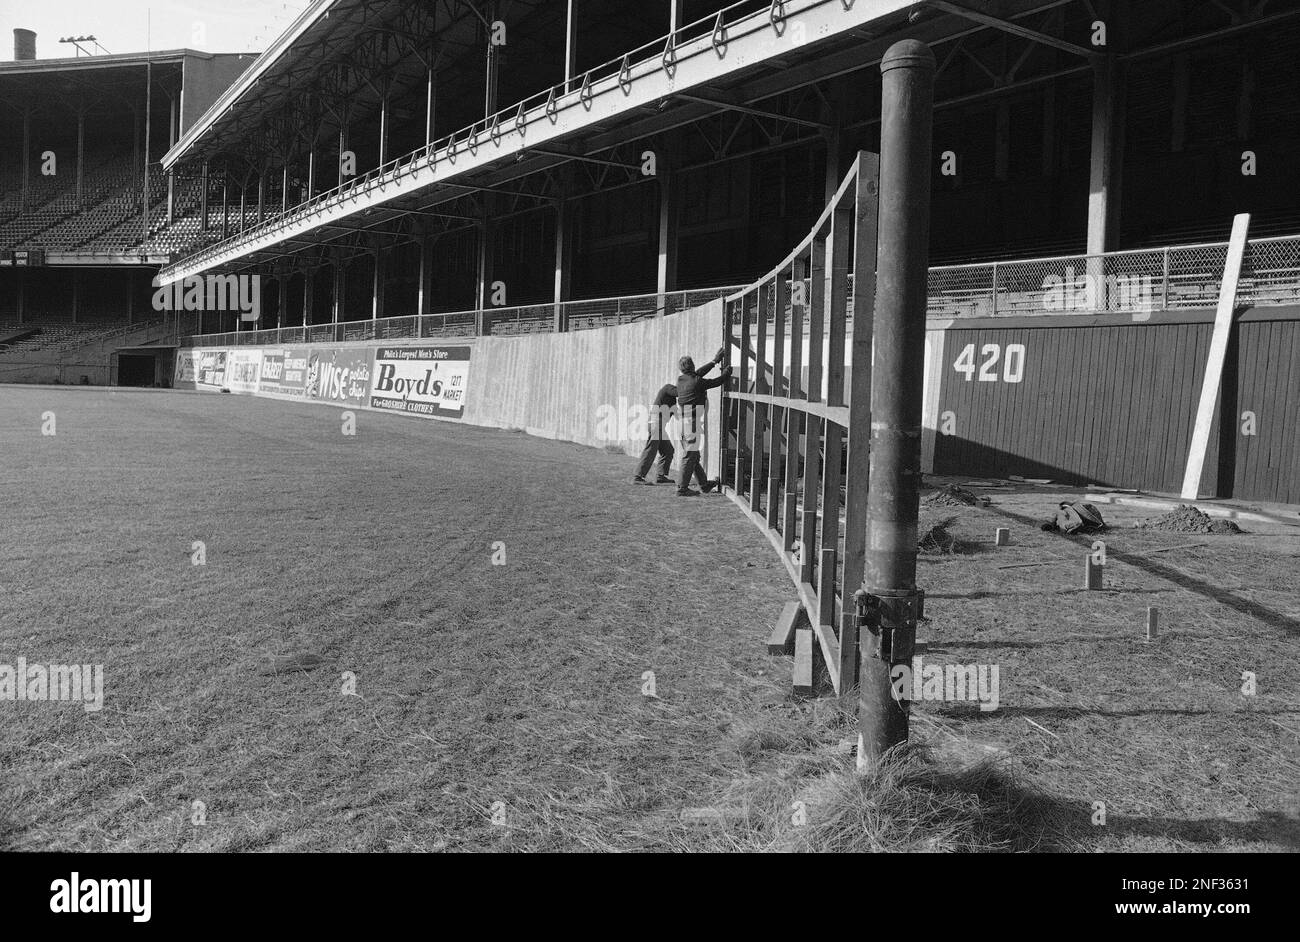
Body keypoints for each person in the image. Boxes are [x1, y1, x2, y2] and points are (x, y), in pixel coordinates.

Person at [675, 347, 731, 497]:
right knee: (690, 455)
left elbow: (698, 374)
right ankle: (682, 488)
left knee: (694, 456)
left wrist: (714, 361)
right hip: (691, 422)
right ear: (692, 366)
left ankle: (704, 485)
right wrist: (727, 373)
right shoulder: (697, 381)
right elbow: (715, 382)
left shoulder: (681, 380)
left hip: (681, 423)